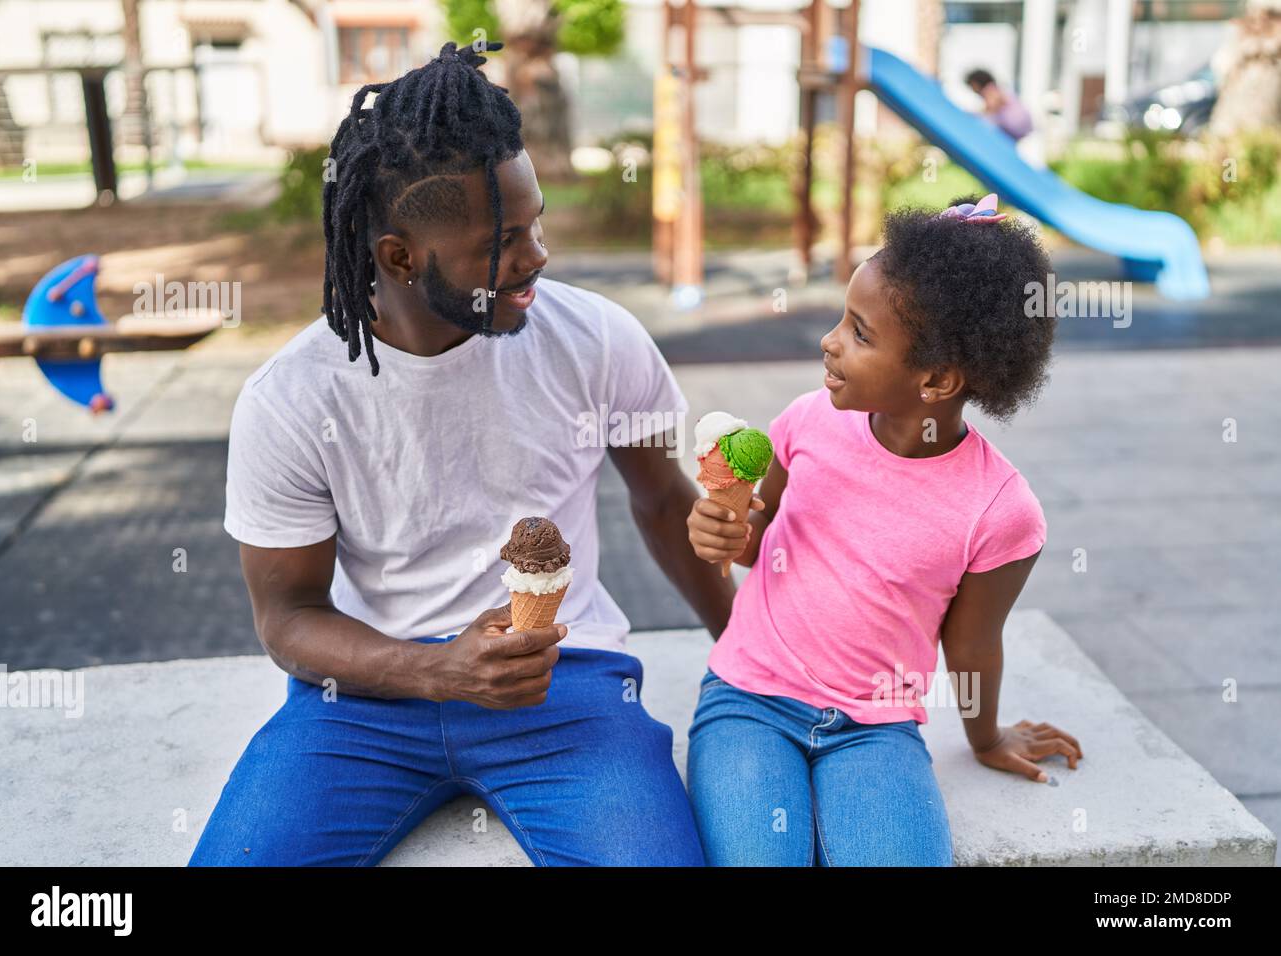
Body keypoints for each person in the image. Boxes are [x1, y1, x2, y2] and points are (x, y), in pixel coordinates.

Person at [188, 41, 733, 866]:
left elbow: (661, 500)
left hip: (565, 679)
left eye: (537, 221)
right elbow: (289, 616)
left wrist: (747, 647)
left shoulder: (596, 338)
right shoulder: (292, 399)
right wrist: (437, 673)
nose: (537, 254)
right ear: (399, 257)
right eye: (502, 241)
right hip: (362, 702)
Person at [684, 194, 1084, 866]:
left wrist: (985, 739)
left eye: (860, 334)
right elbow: (757, 544)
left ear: (936, 379)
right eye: (844, 319)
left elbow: (974, 645)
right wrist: (721, 531)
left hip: (876, 731)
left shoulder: (1001, 510)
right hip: (748, 702)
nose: (829, 341)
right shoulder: (808, 420)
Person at [965, 68, 1034, 141]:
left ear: (976, 83)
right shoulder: (998, 89)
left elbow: (991, 108)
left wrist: (972, 115)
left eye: (972, 86)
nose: (972, 89)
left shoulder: (990, 90)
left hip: (1016, 124)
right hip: (1020, 128)